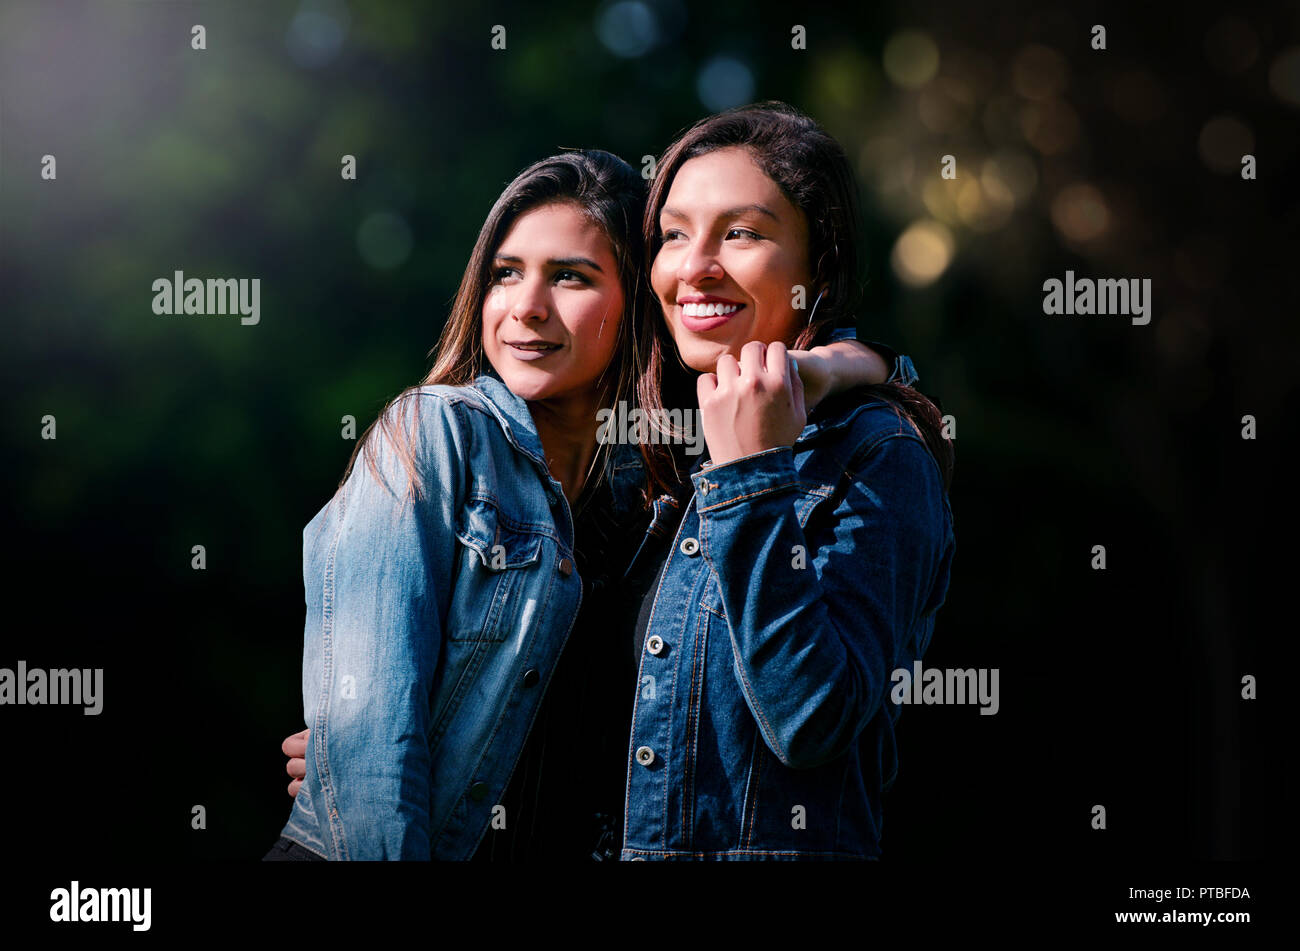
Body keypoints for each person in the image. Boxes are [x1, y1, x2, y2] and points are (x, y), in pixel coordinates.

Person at [265, 144, 901, 860]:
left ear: (638, 301)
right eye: (506, 274)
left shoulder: (664, 503)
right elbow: (370, 770)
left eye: (570, 277)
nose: (526, 307)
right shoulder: (434, 435)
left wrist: (848, 361)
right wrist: (345, 765)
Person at [618, 101, 956, 859]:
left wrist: (752, 479)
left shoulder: (878, 456)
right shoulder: (661, 452)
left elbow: (809, 720)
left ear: (818, 265)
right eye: (674, 233)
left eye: (740, 232)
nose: (695, 265)